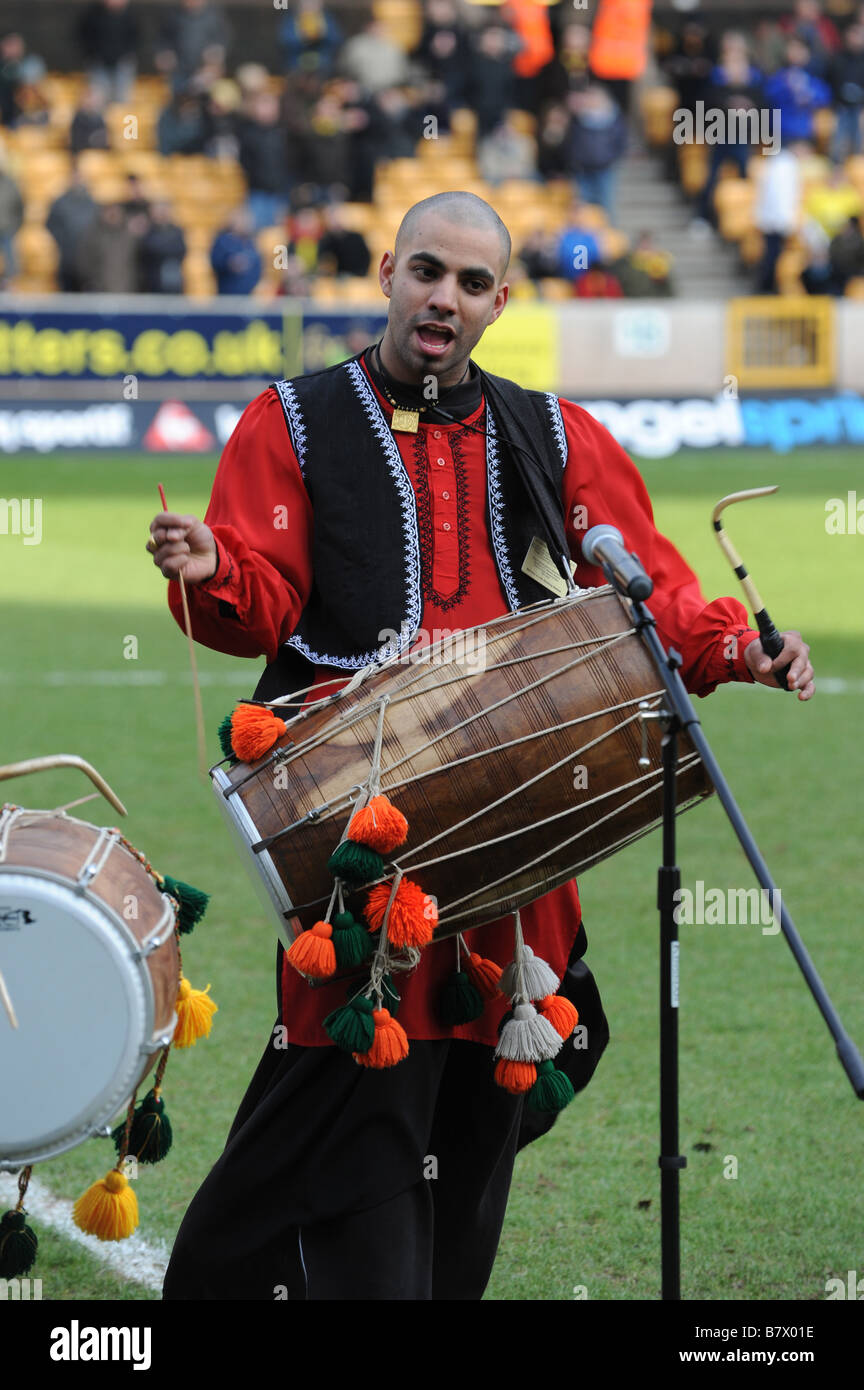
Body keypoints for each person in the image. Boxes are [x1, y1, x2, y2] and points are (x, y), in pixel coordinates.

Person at [148, 191, 814, 1302]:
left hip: (514, 825)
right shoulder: (294, 419)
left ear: (500, 301)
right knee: (350, 1097)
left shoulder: (552, 433)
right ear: (387, 275)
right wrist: (214, 566)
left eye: (468, 283)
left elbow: (651, 585)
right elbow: (260, 607)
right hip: (363, 837)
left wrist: (743, 649)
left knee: (478, 1117)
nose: (442, 298)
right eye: (425, 272)